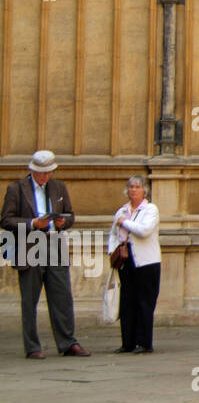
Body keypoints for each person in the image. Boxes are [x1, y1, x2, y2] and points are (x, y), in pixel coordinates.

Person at [2, 151, 90, 358]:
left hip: (55, 244)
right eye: (41, 173)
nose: (44, 177)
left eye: (48, 173)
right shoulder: (16, 189)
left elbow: (70, 215)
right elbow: (6, 220)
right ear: (32, 170)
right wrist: (33, 223)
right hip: (30, 245)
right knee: (29, 299)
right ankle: (33, 347)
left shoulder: (59, 187)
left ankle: (68, 342)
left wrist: (63, 222)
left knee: (62, 296)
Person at [109, 175, 161, 354]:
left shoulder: (150, 209)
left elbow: (144, 231)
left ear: (144, 190)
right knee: (127, 301)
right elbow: (113, 233)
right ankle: (127, 342)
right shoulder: (122, 210)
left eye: (137, 187)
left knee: (144, 301)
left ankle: (144, 342)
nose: (133, 190)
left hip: (147, 261)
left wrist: (126, 223)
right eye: (131, 187)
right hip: (126, 258)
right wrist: (112, 250)